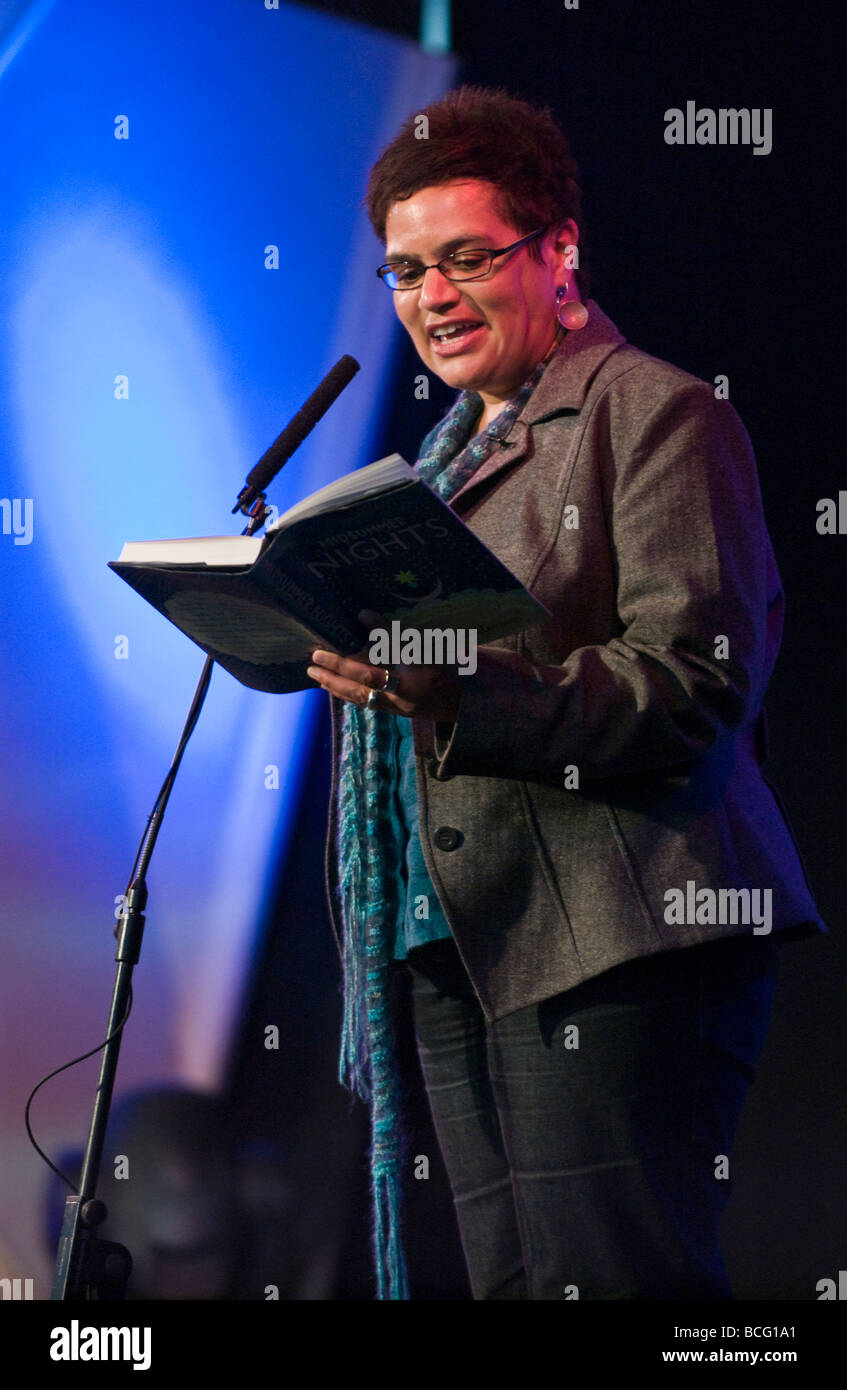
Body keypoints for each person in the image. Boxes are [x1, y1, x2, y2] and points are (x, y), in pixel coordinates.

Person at [307, 85, 824, 1301]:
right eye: (403, 271)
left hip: (617, 940)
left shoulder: (658, 414)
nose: (429, 297)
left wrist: (452, 688)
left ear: (560, 251)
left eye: (466, 259)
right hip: (456, 940)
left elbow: (689, 685)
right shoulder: (438, 467)